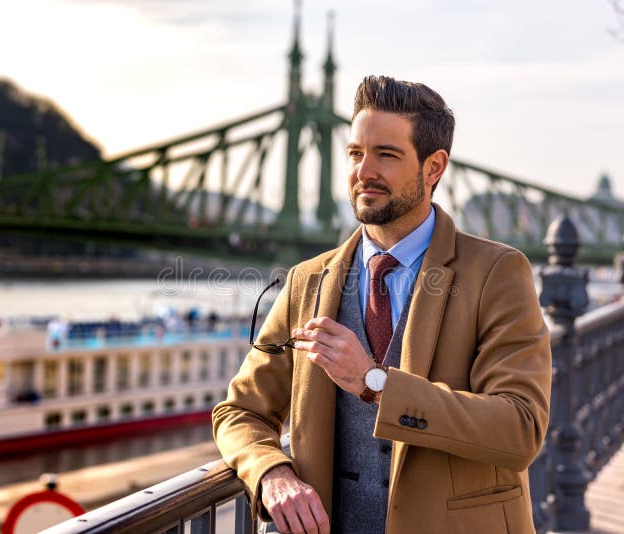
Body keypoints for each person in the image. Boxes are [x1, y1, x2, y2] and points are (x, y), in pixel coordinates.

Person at [212, 75, 551, 534]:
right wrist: (271, 472)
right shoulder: (306, 281)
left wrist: (375, 382)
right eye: (355, 153)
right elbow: (239, 411)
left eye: (386, 155)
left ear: (434, 168)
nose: (362, 171)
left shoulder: (498, 273)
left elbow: (521, 427)